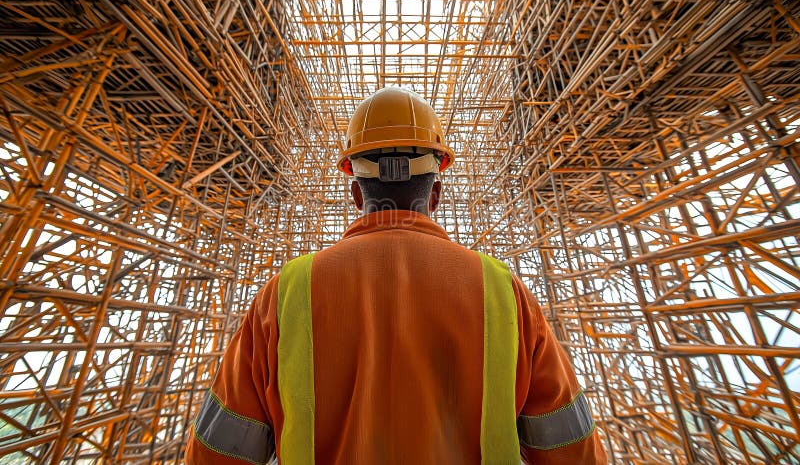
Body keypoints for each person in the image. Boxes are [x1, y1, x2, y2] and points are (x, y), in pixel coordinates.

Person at [185, 87, 608, 464]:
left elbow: (217, 453)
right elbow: (573, 449)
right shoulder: (503, 292)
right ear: (436, 194)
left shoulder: (286, 293)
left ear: (355, 193)